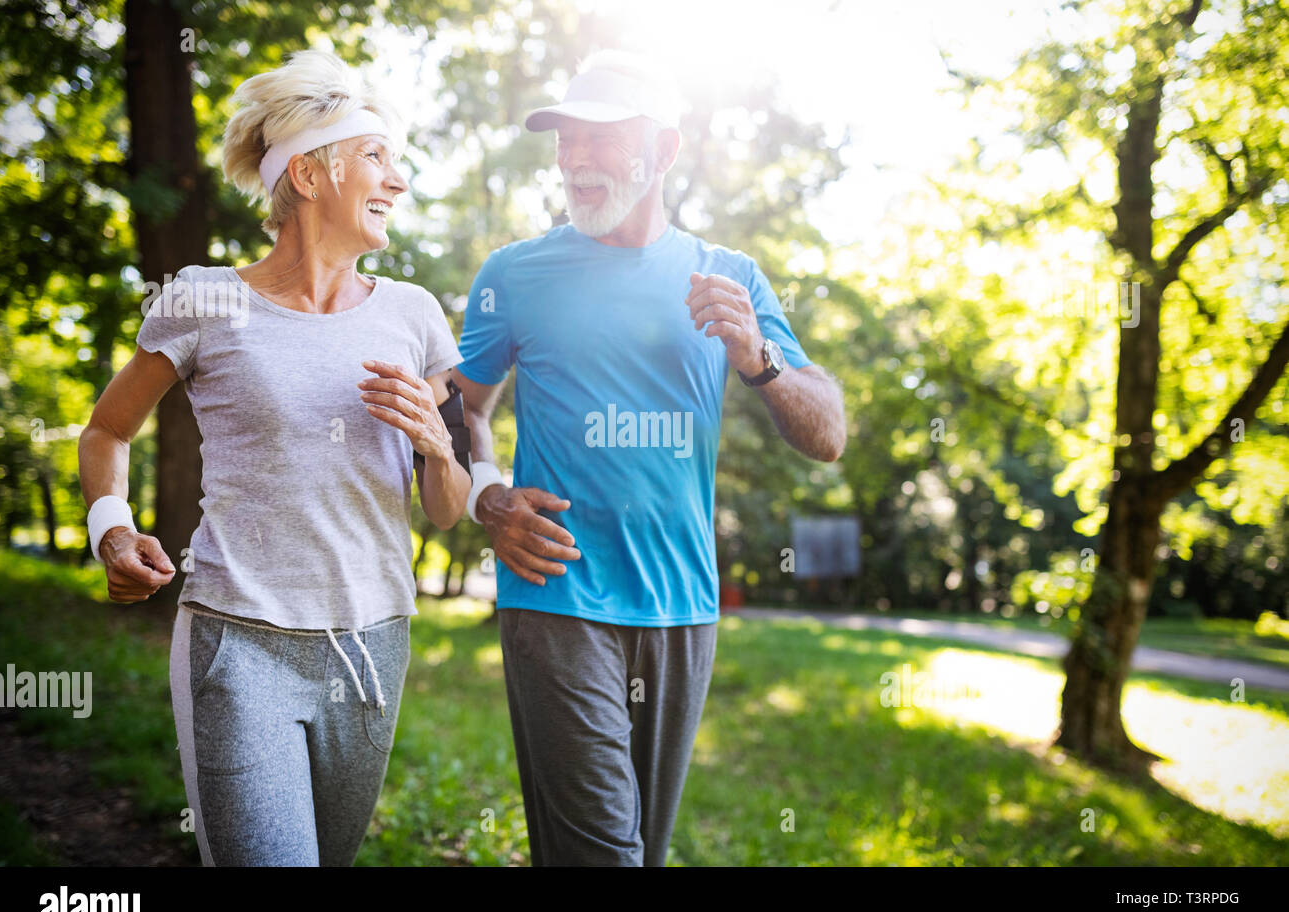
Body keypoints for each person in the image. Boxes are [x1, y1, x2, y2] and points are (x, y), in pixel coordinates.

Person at [452, 50, 847, 866]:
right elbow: (460, 408)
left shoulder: (730, 278)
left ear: (664, 152)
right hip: (557, 592)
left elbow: (828, 435)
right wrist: (488, 500)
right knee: (605, 857)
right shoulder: (515, 275)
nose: (575, 159)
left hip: (681, 608)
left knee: (636, 852)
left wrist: (759, 360)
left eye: (600, 139)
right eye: (565, 140)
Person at [77, 50, 470, 866]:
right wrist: (110, 533)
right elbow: (106, 431)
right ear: (309, 176)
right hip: (237, 637)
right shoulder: (204, 298)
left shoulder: (417, 316)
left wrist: (436, 446)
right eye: (377, 157)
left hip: (374, 642)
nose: (397, 180)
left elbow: (448, 506)